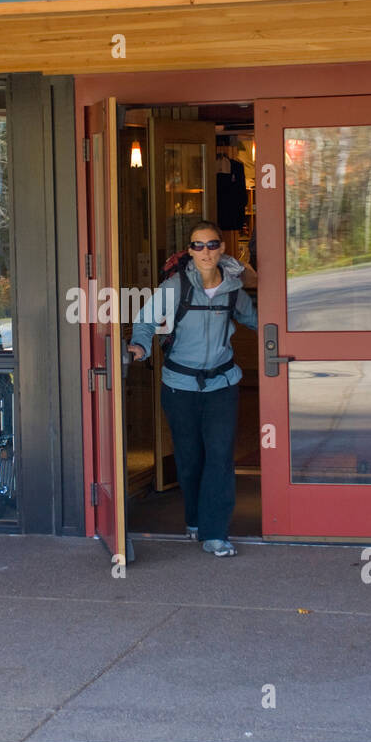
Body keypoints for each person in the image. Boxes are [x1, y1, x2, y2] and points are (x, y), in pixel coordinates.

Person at [128, 220, 257, 557]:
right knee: (189, 459)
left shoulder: (233, 290)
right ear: (189, 251)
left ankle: (216, 534)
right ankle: (195, 519)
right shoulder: (175, 288)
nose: (206, 252)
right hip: (179, 385)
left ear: (222, 248)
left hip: (222, 384)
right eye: (198, 246)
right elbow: (144, 321)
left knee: (219, 458)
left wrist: (294, 334)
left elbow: (259, 320)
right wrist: (139, 346)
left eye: (212, 244)